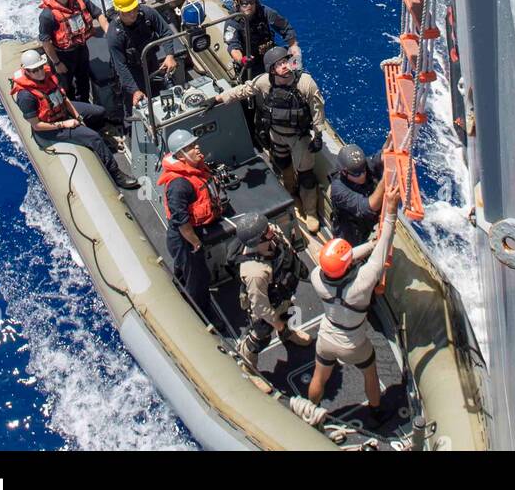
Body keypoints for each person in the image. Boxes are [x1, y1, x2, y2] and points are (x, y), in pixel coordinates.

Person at [308, 189, 401, 422]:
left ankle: (309, 411)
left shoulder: (317, 277)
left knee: (320, 376)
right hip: (353, 343)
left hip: (326, 338)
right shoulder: (361, 284)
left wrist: (370, 245)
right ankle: (376, 411)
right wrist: (389, 211)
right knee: (370, 374)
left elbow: (349, 259)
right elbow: (382, 251)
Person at [216, 46, 325, 233]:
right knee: (284, 165)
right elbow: (243, 90)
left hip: (299, 137)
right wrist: (218, 98)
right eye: (279, 64)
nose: (284, 66)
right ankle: (291, 193)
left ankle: (311, 212)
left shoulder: (305, 83)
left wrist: (318, 134)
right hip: (276, 134)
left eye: (285, 62)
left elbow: (317, 109)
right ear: (272, 69)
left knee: (306, 175)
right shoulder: (265, 82)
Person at [11, 48, 139, 189]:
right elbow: (37, 125)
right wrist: (65, 124)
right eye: (35, 71)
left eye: (40, 68)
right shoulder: (26, 96)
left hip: (61, 110)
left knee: (99, 112)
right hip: (50, 127)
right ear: (27, 71)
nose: (40, 72)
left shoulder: (47, 75)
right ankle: (116, 174)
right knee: (94, 137)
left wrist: (77, 115)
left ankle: (96, 134)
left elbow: (63, 98)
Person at [157, 127, 225, 319]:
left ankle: (179, 287)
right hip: (184, 238)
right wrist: (196, 242)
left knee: (183, 269)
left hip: (195, 227)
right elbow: (182, 222)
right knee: (198, 278)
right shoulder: (178, 185)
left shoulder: (195, 169)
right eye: (191, 146)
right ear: (180, 155)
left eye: (195, 144)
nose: (197, 148)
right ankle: (200, 314)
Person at [231, 212, 312, 370]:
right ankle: (248, 366)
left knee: (287, 314)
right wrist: (278, 325)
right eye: (266, 231)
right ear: (258, 240)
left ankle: (287, 334)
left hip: (281, 293)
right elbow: (261, 308)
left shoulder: (271, 235)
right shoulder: (256, 273)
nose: (271, 230)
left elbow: (287, 248)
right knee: (260, 338)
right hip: (266, 307)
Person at [106, 0, 185, 110]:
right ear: (119, 12)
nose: (133, 14)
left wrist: (170, 55)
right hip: (132, 71)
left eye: (134, 9)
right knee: (135, 107)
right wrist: (135, 90)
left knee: (160, 94)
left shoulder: (147, 13)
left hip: (151, 62)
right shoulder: (114, 35)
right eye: (128, 12)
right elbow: (120, 66)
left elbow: (166, 32)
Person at [38, 0, 109, 104]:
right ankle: (72, 109)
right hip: (62, 55)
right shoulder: (47, 15)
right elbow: (46, 42)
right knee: (65, 85)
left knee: (83, 80)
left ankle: (86, 105)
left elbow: (98, 13)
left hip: (81, 49)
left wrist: (107, 31)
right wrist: (57, 63)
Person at [224, 0, 300, 80]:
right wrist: (242, 60)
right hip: (251, 64)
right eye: (244, 3)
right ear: (237, 3)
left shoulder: (264, 12)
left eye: (252, 2)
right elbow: (233, 47)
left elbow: (285, 27)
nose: (249, 6)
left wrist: (293, 45)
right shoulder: (232, 22)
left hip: (271, 56)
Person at [330, 144, 386, 246]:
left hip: (364, 225)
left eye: (364, 171)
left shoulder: (360, 167)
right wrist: (385, 180)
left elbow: (382, 157)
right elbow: (369, 207)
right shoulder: (338, 189)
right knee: (349, 249)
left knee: (363, 237)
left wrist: (390, 143)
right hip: (348, 230)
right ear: (344, 172)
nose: (363, 176)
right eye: (357, 174)